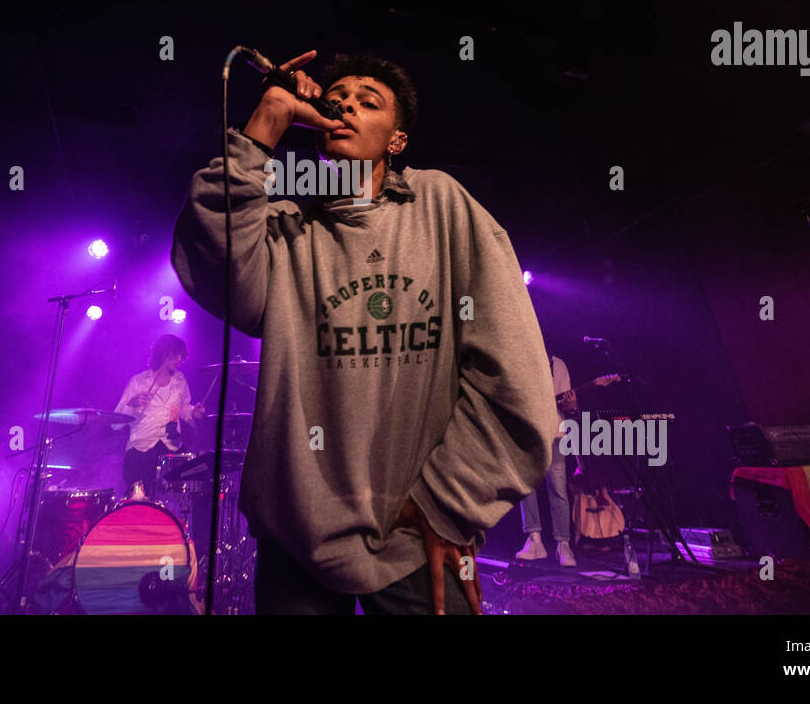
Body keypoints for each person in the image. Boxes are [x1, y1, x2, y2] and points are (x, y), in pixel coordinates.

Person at [172, 49, 560, 614]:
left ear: (397, 140)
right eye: (339, 96)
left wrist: (447, 504)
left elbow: (514, 375)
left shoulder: (441, 205)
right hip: (294, 542)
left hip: (417, 538)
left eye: (368, 101)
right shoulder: (285, 230)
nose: (346, 104)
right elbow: (211, 255)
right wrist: (268, 122)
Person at [113, 334, 204, 498]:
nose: (180, 359)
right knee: (139, 502)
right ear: (164, 353)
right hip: (141, 447)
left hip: (170, 446)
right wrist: (132, 404)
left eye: (181, 355)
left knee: (190, 488)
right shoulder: (138, 382)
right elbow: (115, 423)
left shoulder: (180, 382)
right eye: (176, 355)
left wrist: (193, 413)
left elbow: (182, 408)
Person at [515, 354, 577, 566]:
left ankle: (564, 545)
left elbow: (568, 409)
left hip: (555, 436)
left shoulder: (559, 365)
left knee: (558, 489)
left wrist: (571, 405)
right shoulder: (521, 358)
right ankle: (535, 541)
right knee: (526, 488)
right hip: (528, 434)